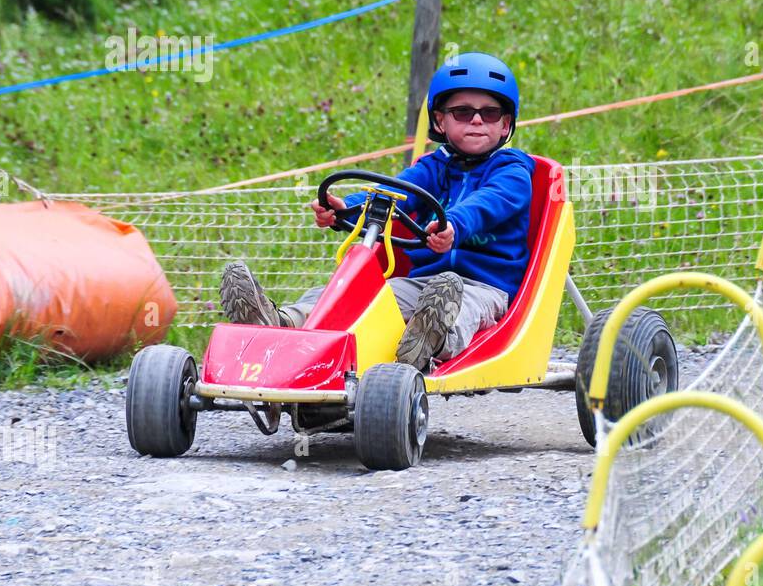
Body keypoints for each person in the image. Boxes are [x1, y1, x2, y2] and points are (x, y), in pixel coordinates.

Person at [220, 53, 535, 373]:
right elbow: (395, 193)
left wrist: (454, 224)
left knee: (463, 307)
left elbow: (490, 202)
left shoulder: (513, 171)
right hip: (425, 285)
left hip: (485, 287)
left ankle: (436, 340)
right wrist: (347, 209)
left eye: (490, 113)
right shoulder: (432, 168)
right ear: (440, 120)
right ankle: (285, 322)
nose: (477, 121)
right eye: (463, 112)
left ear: (506, 123)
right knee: (365, 292)